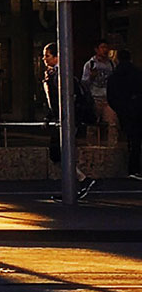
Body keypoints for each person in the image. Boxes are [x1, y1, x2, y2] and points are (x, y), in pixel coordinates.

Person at [44, 41, 95, 199]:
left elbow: (62, 99)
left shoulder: (62, 76)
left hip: (68, 119)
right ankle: (79, 181)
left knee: (60, 151)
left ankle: (80, 181)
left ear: (57, 56)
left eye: (47, 56)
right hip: (64, 118)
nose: (44, 59)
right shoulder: (56, 74)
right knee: (58, 152)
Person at [108, 48, 142, 179]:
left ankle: (133, 168)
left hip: (125, 111)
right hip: (138, 108)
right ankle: (135, 167)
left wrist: (120, 109)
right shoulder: (137, 73)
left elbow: (112, 97)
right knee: (137, 140)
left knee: (131, 140)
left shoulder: (115, 76)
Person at [82, 40, 118, 143]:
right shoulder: (90, 64)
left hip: (108, 99)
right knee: (93, 125)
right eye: (102, 47)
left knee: (112, 124)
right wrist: (91, 77)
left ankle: (111, 146)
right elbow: (84, 83)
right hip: (95, 98)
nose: (105, 50)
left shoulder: (112, 64)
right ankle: (92, 147)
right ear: (97, 49)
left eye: (106, 47)